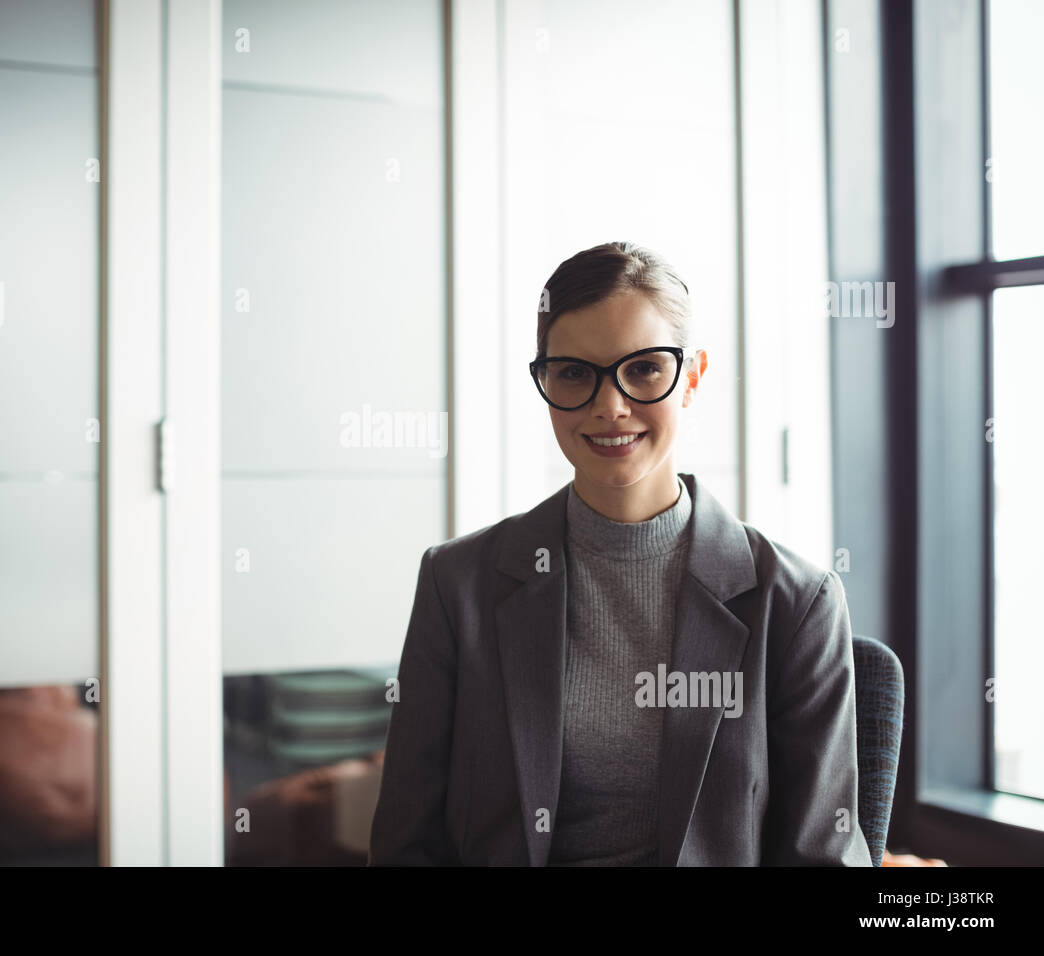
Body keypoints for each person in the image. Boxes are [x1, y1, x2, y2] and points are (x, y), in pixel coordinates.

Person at [368, 241, 872, 866]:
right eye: (575, 372)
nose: (610, 405)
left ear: (692, 377)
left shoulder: (797, 602)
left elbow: (822, 857)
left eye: (644, 369)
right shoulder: (457, 583)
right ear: (545, 381)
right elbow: (405, 846)